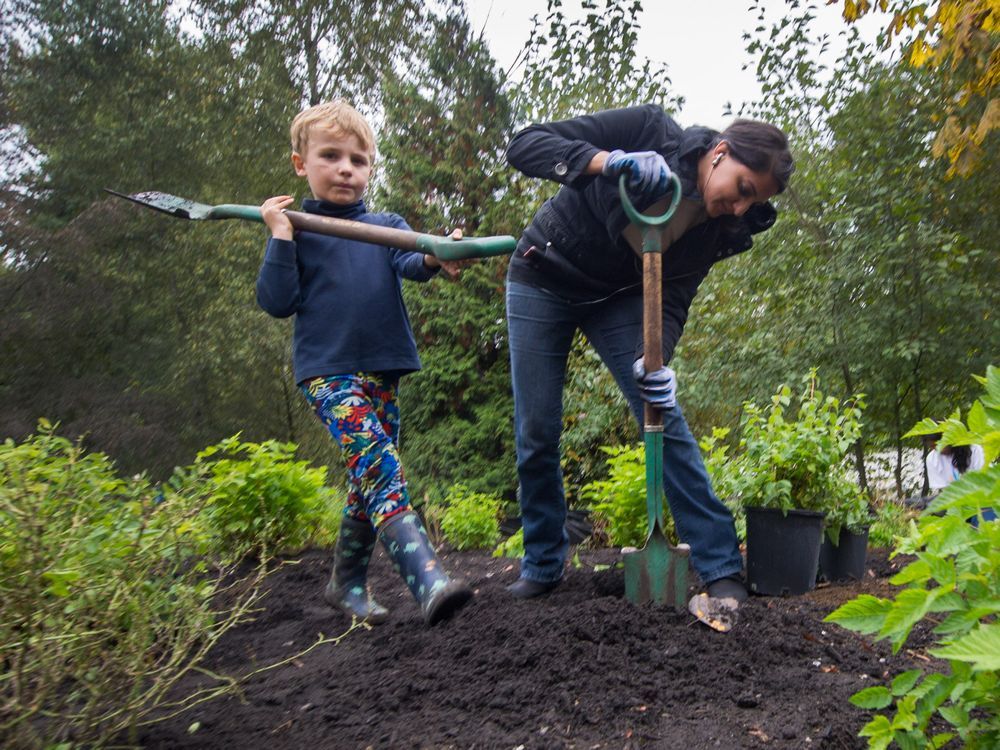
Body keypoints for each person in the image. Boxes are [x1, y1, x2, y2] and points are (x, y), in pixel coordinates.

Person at [503, 104, 794, 603]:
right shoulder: (649, 131)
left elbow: (673, 299)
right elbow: (525, 145)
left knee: (660, 410)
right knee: (537, 428)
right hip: (544, 274)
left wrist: (652, 359)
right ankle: (543, 563)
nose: (742, 208)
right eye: (744, 189)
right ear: (720, 152)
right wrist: (607, 161)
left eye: (754, 202)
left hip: (616, 297)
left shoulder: (718, 228)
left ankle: (719, 564)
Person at [256, 100, 473, 626]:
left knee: (366, 480)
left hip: (382, 370)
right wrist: (280, 237)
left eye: (359, 159)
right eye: (331, 155)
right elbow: (276, 301)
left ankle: (346, 584)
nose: (346, 168)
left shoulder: (385, 226)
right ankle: (427, 579)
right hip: (328, 372)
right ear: (300, 163)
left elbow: (411, 260)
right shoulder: (299, 229)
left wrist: (438, 253)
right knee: (380, 465)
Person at [924, 432, 992, 523]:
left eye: (937, 445)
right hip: (958, 503)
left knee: (984, 524)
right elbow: (946, 492)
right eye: (932, 447)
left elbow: (986, 482)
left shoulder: (975, 450)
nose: (937, 450)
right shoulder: (932, 459)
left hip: (984, 499)